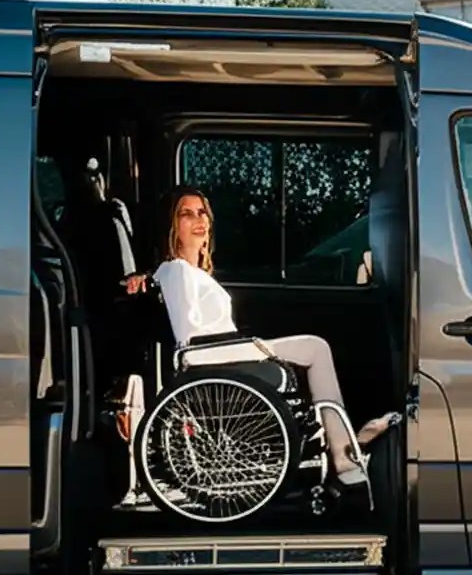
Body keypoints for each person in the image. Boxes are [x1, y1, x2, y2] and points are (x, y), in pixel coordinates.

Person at [126, 186, 396, 485]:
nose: (198, 219)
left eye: (202, 212)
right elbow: (190, 338)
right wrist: (252, 348)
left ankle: (343, 451)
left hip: (226, 350)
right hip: (213, 354)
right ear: (172, 225)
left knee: (314, 349)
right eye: (186, 214)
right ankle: (344, 460)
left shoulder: (191, 272)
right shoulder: (177, 270)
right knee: (316, 348)